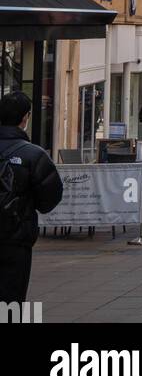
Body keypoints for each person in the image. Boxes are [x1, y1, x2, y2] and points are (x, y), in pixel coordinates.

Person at [0, 91, 63, 304]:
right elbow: (49, 199)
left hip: (16, 238)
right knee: (12, 301)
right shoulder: (33, 155)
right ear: (25, 118)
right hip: (15, 240)